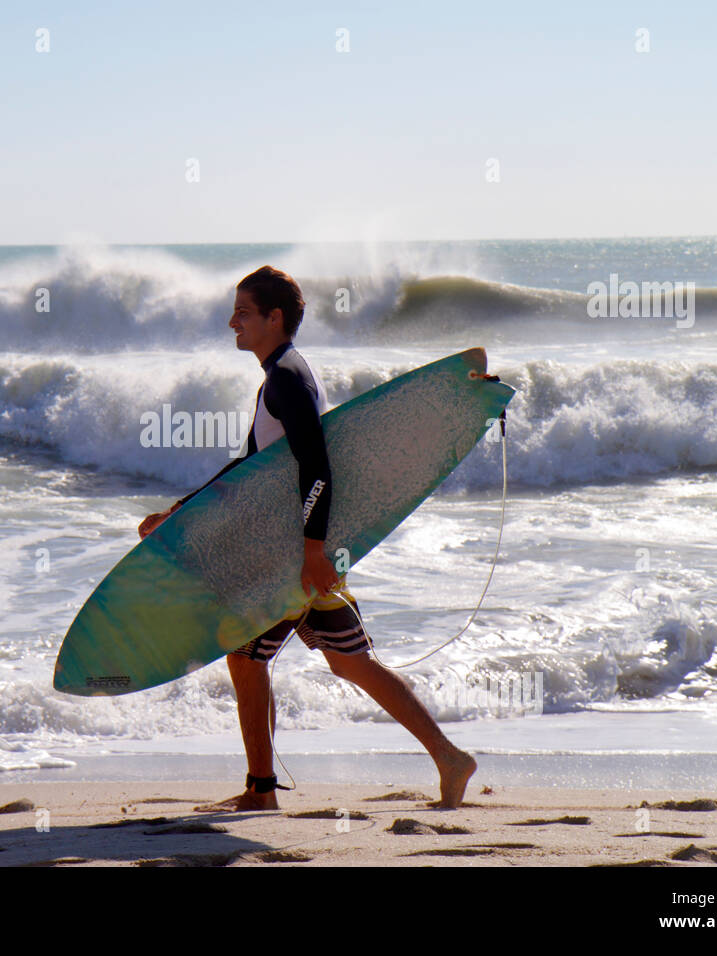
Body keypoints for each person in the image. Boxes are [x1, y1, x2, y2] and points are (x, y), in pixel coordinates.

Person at [139, 266, 477, 811]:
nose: (232, 323)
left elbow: (318, 466)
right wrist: (181, 512)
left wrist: (313, 552)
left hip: (297, 557)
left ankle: (260, 791)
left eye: (243, 312)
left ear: (275, 318)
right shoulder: (285, 376)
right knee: (349, 662)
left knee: (246, 657)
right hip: (306, 551)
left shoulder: (287, 380)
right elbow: (252, 465)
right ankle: (449, 758)